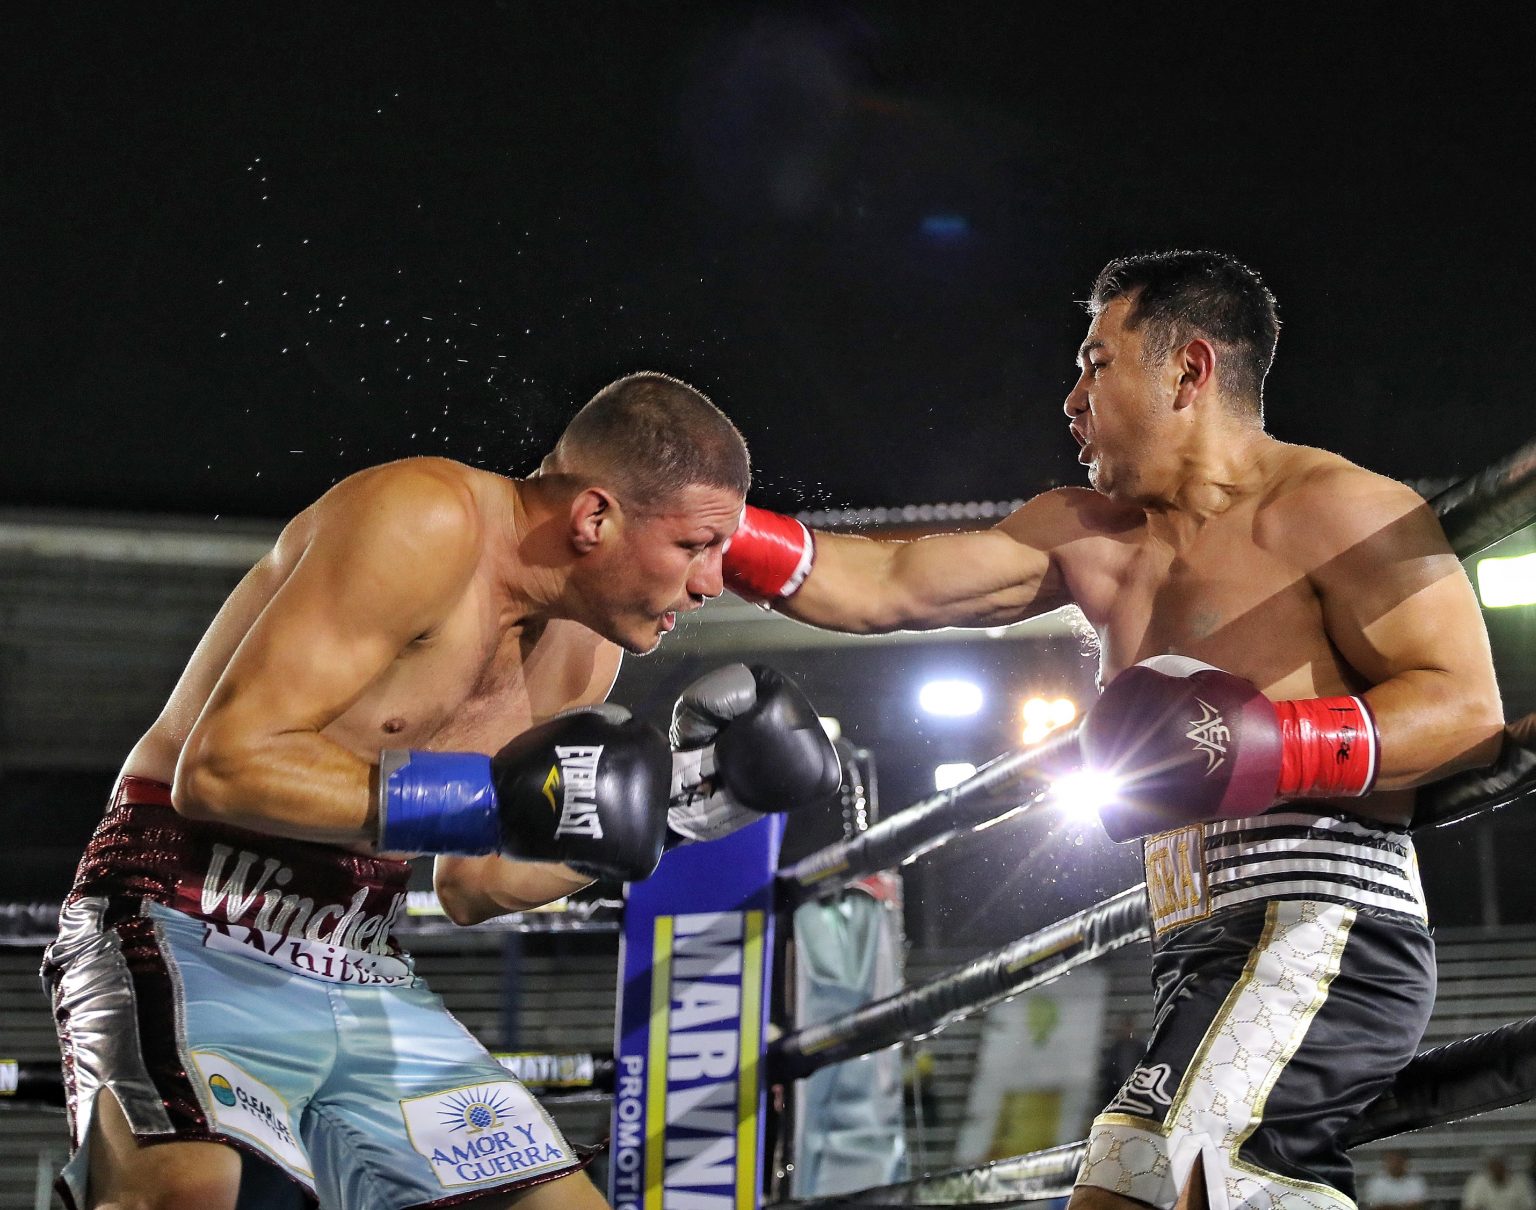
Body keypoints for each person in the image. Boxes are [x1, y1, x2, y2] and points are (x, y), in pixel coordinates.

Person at [718, 251, 1506, 1210]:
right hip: (1192, 946)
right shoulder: (1086, 533)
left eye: (1098, 362)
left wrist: (1270, 742)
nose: (1071, 397)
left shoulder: (1339, 510)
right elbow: (889, 586)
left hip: (1321, 926)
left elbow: (1467, 710)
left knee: (1140, 1186)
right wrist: (710, 533)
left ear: (1190, 369)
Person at [40, 371, 841, 1210]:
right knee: (188, 1195)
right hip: (180, 913)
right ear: (594, 516)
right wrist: (486, 798)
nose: (713, 583)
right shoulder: (423, 518)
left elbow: (474, 884)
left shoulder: (586, 647)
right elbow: (222, 769)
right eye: (694, 547)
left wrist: (684, 808)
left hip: (361, 957)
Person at [1463, 1151, 1536, 1210]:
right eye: (1493, 1164)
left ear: (1506, 1165)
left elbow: (1529, 1206)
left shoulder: (1521, 1182)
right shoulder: (1476, 1182)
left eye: (1499, 1164)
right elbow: (1471, 1206)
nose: (1496, 1168)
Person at [1363, 1149, 1428, 1210]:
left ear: (1405, 1162)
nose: (1395, 1164)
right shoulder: (1376, 1181)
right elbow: (1375, 1206)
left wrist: (1388, 1206)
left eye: (1399, 1160)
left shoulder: (1416, 1180)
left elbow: (1418, 1205)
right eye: (1392, 1160)